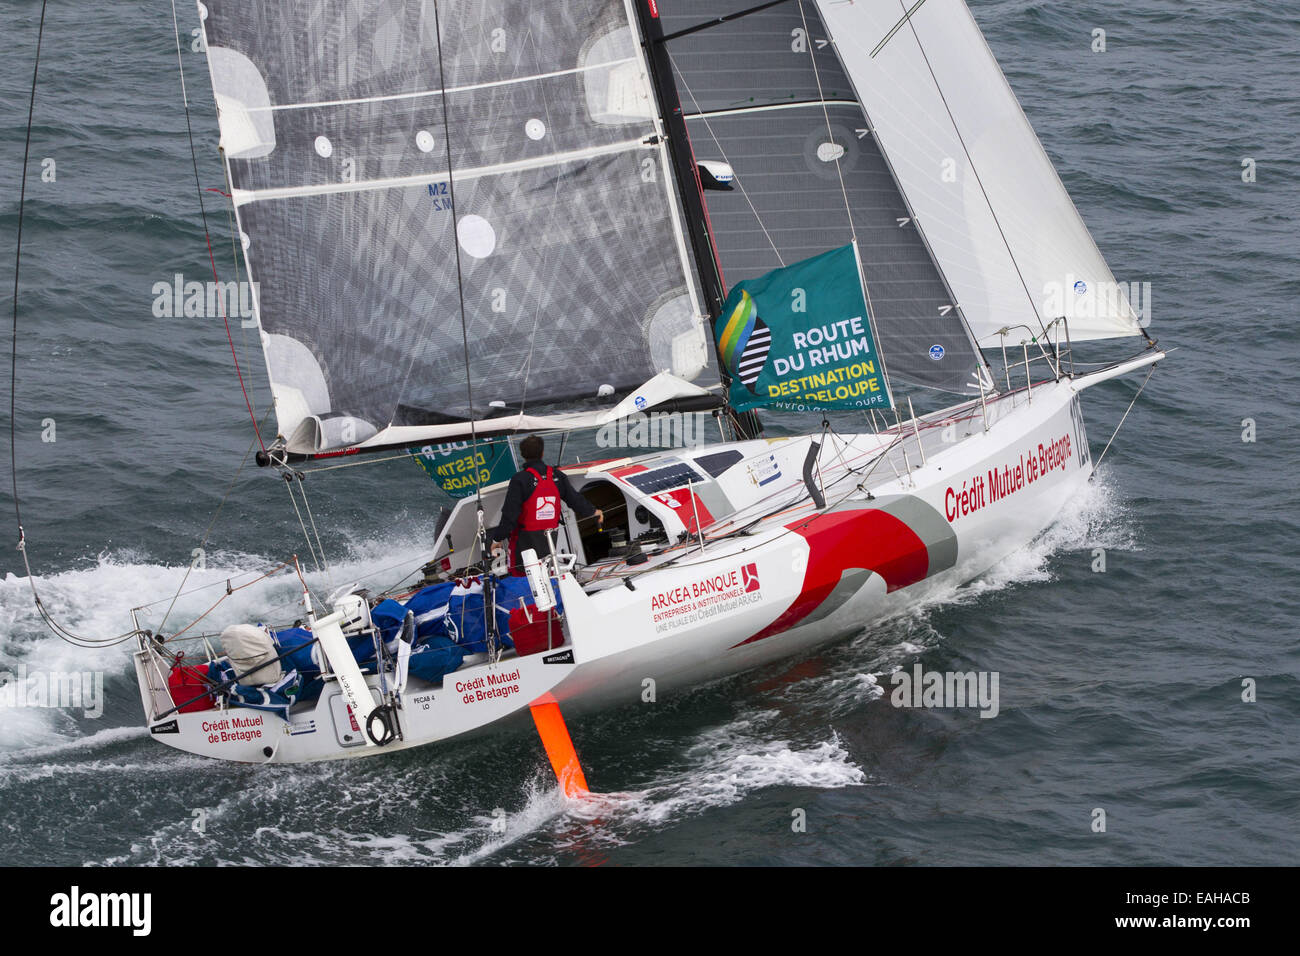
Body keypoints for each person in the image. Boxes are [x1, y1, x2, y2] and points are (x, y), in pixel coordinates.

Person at [491, 435, 602, 574]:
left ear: (523, 455)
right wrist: (593, 512)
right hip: (550, 535)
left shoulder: (520, 480)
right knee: (546, 569)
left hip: (525, 539)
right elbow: (575, 500)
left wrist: (497, 538)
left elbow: (510, 514)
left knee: (522, 574)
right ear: (542, 453)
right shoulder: (557, 476)